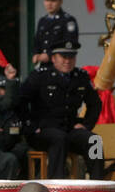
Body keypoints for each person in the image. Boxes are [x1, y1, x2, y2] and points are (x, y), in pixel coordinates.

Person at [18, 42, 103, 179]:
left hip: (69, 128)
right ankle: (57, 185)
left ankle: (98, 183)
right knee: (58, 139)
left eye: (71, 57)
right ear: (53, 59)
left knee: (94, 140)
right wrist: (31, 126)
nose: (67, 61)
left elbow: (95, 104)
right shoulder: (40, 76)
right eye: (63, 57)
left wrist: (86, 125)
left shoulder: (80, 77)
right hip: (43, 131)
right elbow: (20, 101)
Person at [33, 0, 80, 65]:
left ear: (61, 1)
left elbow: (69, 44)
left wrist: (49, 55)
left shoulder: (68, 20)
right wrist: (35, 54)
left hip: (61, 64)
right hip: (43, 65)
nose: (49, 4)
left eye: (53, 0)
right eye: (47, 0)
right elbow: (37, 41)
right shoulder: (42, 21)